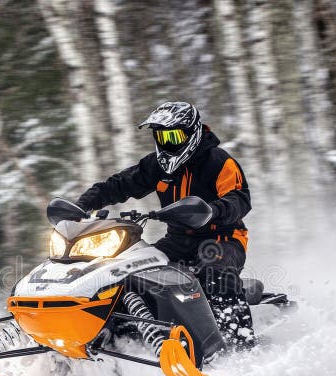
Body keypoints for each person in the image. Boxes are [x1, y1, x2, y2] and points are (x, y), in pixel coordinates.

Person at [75, 101, 255, 349]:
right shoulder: (156, 166)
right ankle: (114, 340)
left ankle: (240, 345)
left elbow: (240, 199)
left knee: (215, 271)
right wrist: (83, 205)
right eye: (161, 136)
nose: (167, 142)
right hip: (178, 239)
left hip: (222, 238)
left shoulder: (219, 162)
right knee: (129, 270)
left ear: (192, 132)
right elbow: (118, 184)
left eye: (174, 135)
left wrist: (213, 210)